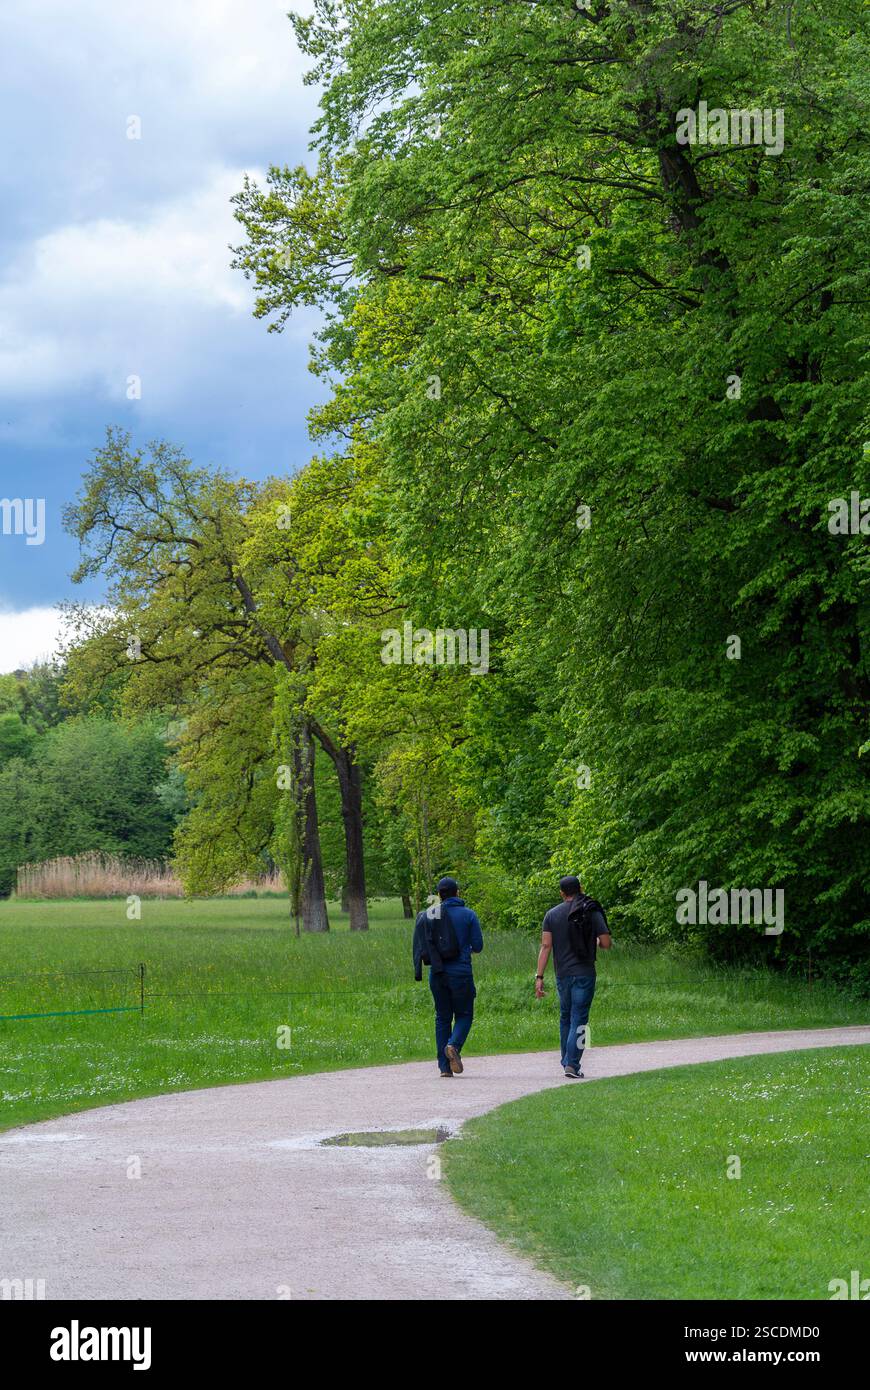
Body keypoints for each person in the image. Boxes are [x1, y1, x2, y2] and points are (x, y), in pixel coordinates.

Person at [535, 875, 611, 1078]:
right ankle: (573, 1064)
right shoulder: (591, 910)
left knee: (565, 1017)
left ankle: (567, 1062)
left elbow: (546, 946)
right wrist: (593, 942)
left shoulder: (551, 915)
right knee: (580, 1020)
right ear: (581, 888)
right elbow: (606, 943)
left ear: (561, 893)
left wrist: (539, 976)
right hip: (585, 973)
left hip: (563, 975)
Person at [413, 876, 483, 1077]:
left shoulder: (429, 915)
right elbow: (478, 946)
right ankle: (453, 1045)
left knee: (442, 1018)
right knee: (464, 1015)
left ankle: (444, 1068)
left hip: (437, 973)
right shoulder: (468, 915)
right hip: (461, 973)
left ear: (439, 895)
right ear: (457, 892)